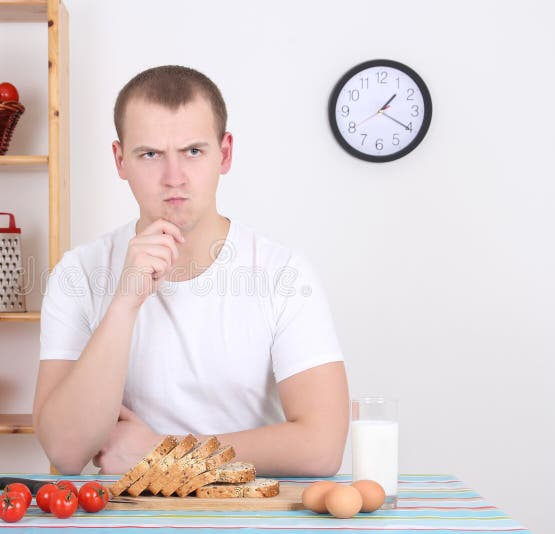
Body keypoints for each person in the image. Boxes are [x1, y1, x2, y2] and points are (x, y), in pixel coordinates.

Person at [33, 65, 348, 476]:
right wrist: (125, 303)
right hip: (125, 519)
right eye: (150, 154)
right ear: (120, 159)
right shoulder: (77, 272)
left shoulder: (283, 272)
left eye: (193, 152)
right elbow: (65, 450)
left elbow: (322, 446)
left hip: (248, 516)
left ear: (225, 154)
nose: (173, 178)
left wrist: (164, 457)